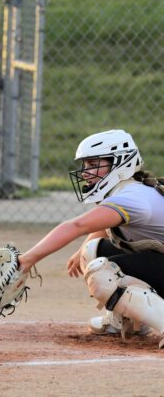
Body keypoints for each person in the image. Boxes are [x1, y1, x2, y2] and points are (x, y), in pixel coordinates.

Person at [14, 130, 163, 348]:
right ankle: (132, 322)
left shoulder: (133, 198)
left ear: (119, 163)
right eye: (85, 165)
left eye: (93, 164)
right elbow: (102, 226)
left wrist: (26, 260)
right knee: (91, 251)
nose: (85, 172)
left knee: (101, 271)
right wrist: (82, 250)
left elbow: (77, 225)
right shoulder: (130, 191)